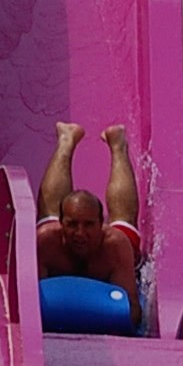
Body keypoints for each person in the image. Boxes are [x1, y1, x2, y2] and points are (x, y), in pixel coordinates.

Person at [35, 122, 142, 327]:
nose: (80, 233)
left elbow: (133, 314)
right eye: (72, 224)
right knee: (48, 215)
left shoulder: (115, 245)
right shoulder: (46, 242)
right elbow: (26, 306)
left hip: (112, 247)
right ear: (62, 224)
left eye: (89, 225)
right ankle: (66, 139)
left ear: (102, 224)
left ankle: (118, 145)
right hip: (54, 234)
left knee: (125, 223)